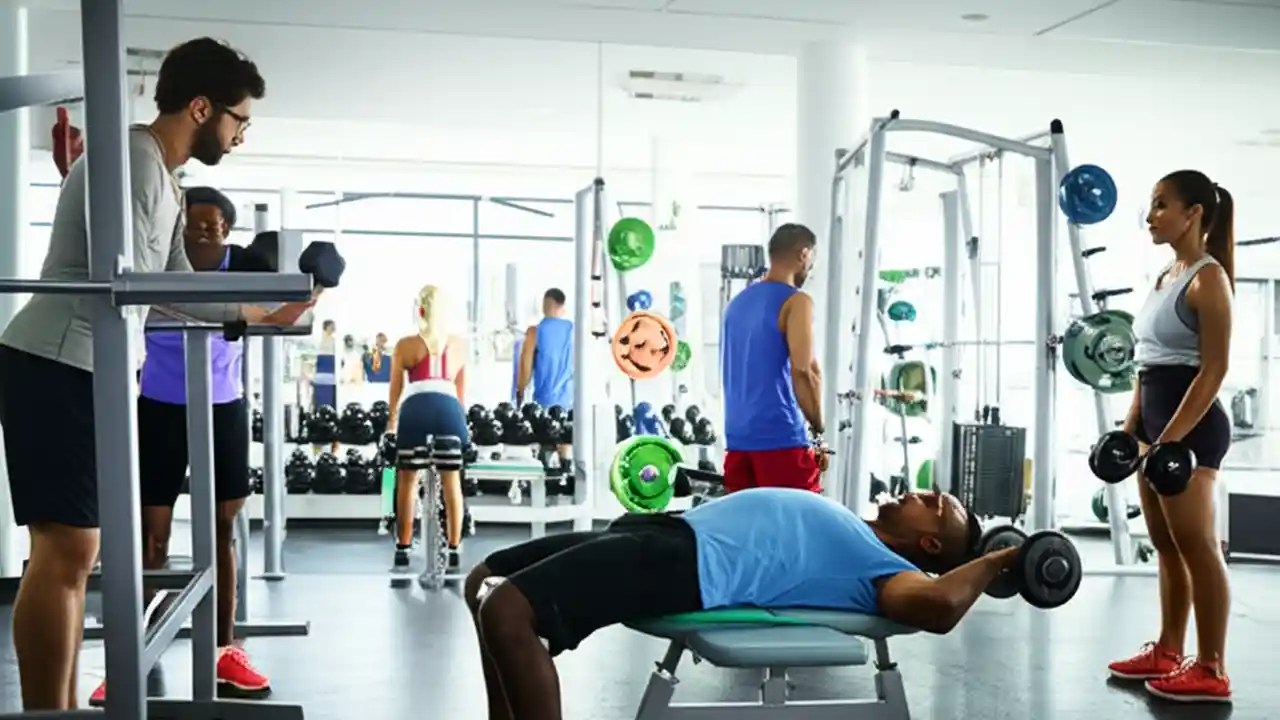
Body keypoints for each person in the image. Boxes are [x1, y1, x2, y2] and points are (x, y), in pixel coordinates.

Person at [0, 38, 314, 712]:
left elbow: (178, 285)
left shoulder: (161, 175)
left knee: (74, 556)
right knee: (65, 553)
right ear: (201, 107)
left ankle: (53, 709)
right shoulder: (136, 161)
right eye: (237, 120)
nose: (239, 136)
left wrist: (264, 311)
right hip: (57, 358)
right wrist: (254, 308)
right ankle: (44, 712)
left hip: (84, 363)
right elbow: (139, 283)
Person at [465, 487, 991, 720]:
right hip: (671, 531)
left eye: (933, 505)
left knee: (506, 610)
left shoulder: (888, 569)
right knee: (483, 579)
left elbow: (939, 607)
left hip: (689, 565)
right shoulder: (864, 527)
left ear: (928, 546)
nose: (921, 493)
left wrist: (1006, 558)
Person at [98, 194, 281, 707]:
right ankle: (131, 654)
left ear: (227, 229)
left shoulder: (242, 264)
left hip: (223, 408)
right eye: (193, 225)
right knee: (151, 540)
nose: (202, 233)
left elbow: (285, 296)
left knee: (221, 531)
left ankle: (224, 649)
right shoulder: (155, 257)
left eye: (212, 226)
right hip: (158, 406)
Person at [1107, 171, 1234, 704]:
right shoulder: (1165, 275)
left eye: (1162, 205)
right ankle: (1167, 649)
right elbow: (1147, 366)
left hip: (1194, 429)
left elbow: (1213, 370)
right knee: (1164, 545)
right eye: (1151, 205)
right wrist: (1130, 431)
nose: (1151, 215)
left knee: (1197, 547)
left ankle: (1210, 667)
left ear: (1195, 213)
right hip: (1158, 428)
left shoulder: (1209, 279)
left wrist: (1170, 441)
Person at [720, 224, 823, 494]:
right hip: (780, 439)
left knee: (747, 531)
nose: (810, 267)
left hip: (738, 441)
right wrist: (818, 427)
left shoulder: (737, 303)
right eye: (811, 258)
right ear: (804, 254)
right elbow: (804, 372)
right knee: (799, 528)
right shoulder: (797, 301)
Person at [387, 285, 470, 571]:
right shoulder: (459, 345)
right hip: (449, 411)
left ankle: (403, 548)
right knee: (452, 483)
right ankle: (455, 547)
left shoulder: (405, 345)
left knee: (408, 481)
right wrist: (463, 430)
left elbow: (395, 392)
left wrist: (390, 425)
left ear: (419, 310)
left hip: (415, 411)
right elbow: (461, 396)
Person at [517, 288, 574, 467]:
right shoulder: (573, 330)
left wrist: (520, 389)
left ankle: (548, 482)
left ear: (545, 304)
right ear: (562, 305)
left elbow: (526, 365)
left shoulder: (535, 331)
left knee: (545, 443)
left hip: (544, 398)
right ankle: (566, 476)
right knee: (566, 441)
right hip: (570, 399)